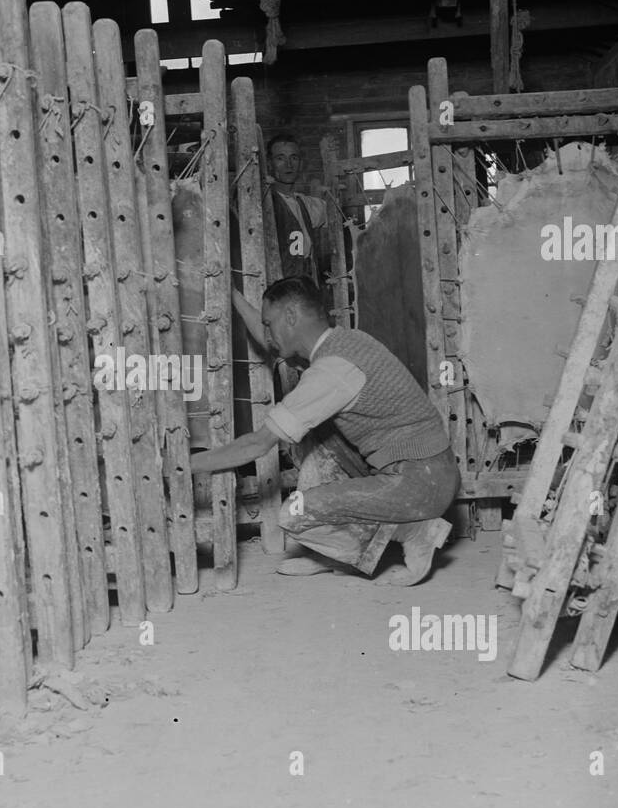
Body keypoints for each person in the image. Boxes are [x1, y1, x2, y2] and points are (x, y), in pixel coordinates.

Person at [190, 276, 459, 586]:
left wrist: (186, 465)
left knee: (293, 514)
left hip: (421, 483)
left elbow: (256, 445)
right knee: (319, 445)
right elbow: (270, 343)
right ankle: (336, 553)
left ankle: (415, 531)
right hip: (424, 469)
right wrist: (232, 294)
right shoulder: (345, 342)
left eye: (270, 323)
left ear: (291, 316)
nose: (267, 333)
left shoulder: (331, 371)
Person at [265, 133, 328, 285]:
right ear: (269, 164)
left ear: (300, 163)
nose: (289, 165)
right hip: (276, 287)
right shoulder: (265, 202)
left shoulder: (307, 204)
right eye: (280, 158)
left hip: (306, 286)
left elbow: (336, 214)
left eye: (294, 158)